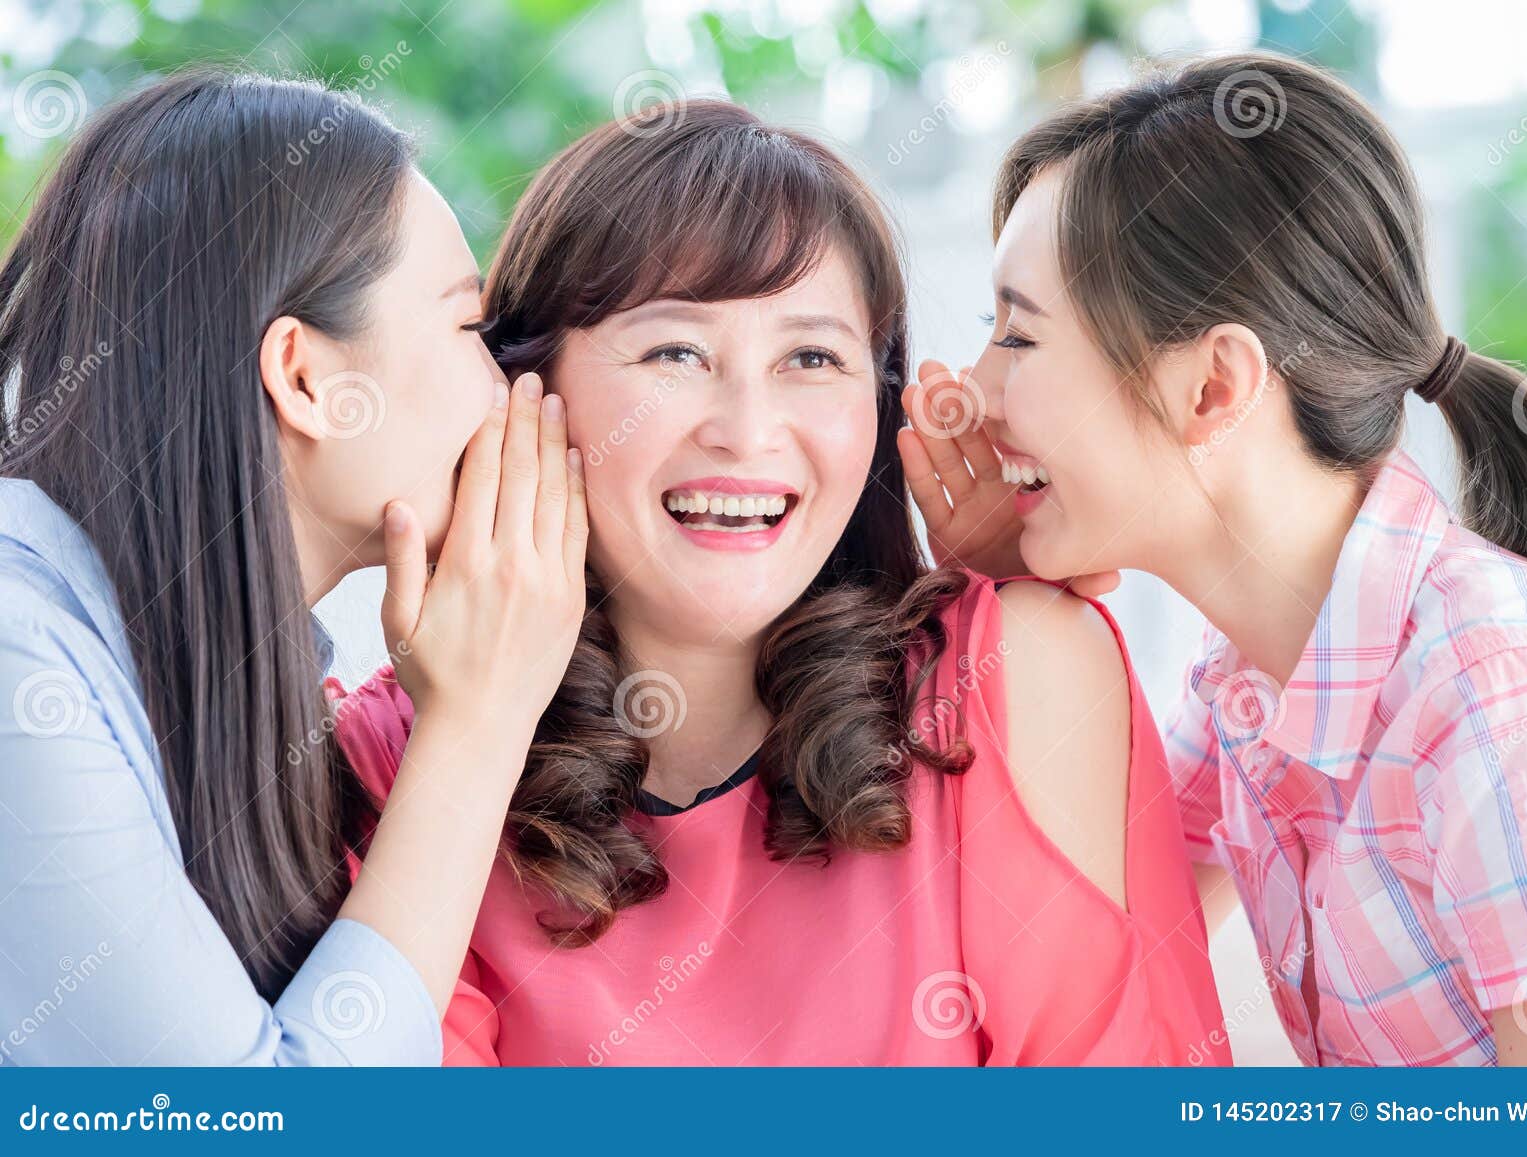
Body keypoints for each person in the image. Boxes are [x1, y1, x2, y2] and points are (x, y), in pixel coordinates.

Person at [335, 100, 1230, 1066]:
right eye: (675, 352)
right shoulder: (394, 762)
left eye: (813, 357)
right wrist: (471, 731)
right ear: (527, 390)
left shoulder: (1014, 679)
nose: (750, 429)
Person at [899, 53, 1527, 1065]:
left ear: (1213, 387)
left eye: (1018, 335)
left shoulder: (1493, 696)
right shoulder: (1247, 688)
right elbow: (1082, 930)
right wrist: (1003, 599)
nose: (972, 390)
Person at [0, 70, 587, 1065]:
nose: (511, 389)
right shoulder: (21, 663)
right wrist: (479, 723)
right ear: (307, 379)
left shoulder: (214, 675)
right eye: (469, 329)